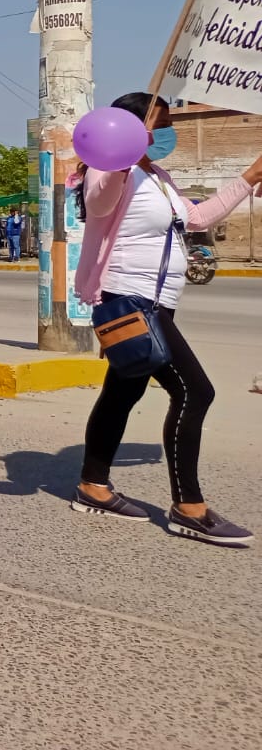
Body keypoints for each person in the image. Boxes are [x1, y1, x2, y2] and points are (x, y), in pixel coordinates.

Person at [71, 92, 262, 546]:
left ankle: (92, 485)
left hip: (159, 302)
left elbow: (194, 220)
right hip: (132, 301)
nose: (168, 131)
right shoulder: (108, 172)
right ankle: (188, 507)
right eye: (163, 122)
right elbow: (98, 205)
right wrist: (118, 159)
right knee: (196, 392)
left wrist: (249, 177)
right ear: (132, 129)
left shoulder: (157, 177)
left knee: (122, 391)